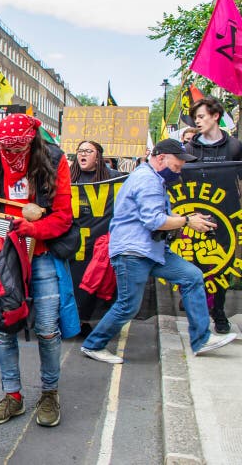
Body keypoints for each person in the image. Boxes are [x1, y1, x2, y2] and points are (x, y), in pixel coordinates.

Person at [0, 113, 78, 428]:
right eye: (6, 149)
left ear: (32, 143)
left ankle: (49, 393)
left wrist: (33, 229)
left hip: (40, 254)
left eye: (18, 150)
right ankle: (12, 396)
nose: (11, 156)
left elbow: (64, 216)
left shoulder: (54, 160)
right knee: (3, 328)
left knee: (47, 330)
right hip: (1, 251)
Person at [81, 139, 237, 363]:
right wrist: (186, 221)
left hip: (150, 250)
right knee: (128, 306)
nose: (180, 167)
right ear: (161, 157)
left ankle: (201, 339)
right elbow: (154, 221)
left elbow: (160, 217)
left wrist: (189, 219)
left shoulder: (153, 178)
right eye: (178, 162)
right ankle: (93, 345)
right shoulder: (148, 180)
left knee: (192, 277)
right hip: (133, 251)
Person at [184, 97, 242, 334]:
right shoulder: (189, 149)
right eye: (195, 118)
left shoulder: (235, 147)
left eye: (201, 117)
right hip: (197, 214)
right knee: (196, 267)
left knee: (223, 263)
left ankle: (219, 312)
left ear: (216, 115)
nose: (197, 122)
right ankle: (197, 317)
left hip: (227, 214)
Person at [69, 140, 122, 337]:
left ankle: (87, 320)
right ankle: (72, 321)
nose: (82, 154)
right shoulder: (67, 176)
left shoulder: (113, 178)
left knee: (94, 282)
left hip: (98, 243)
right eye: (80, 150)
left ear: (98, 156)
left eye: (88, 151)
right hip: (74, 242)